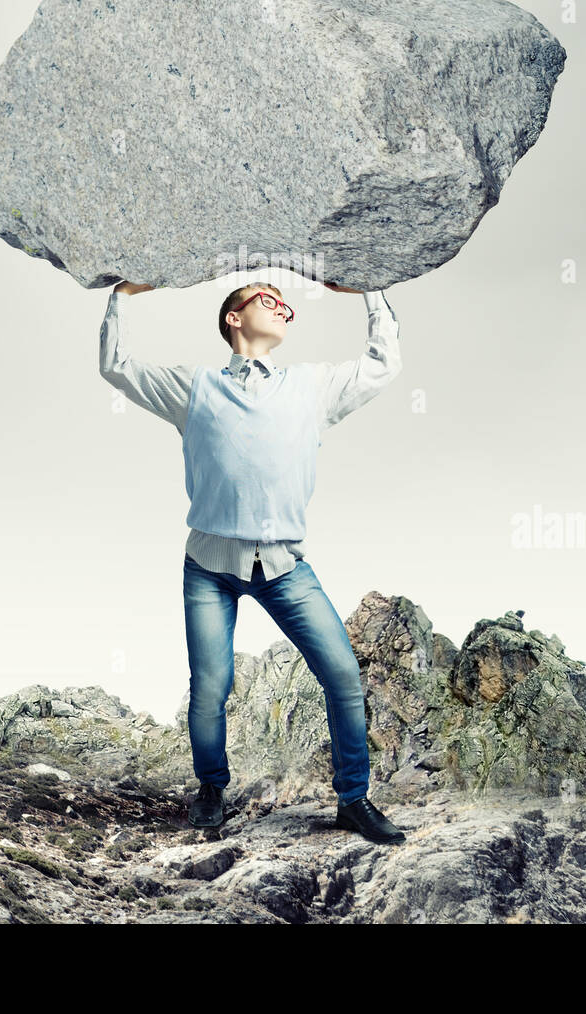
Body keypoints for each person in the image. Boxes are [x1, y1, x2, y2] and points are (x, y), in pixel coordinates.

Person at [99, 276, 407, 844]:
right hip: (209, 568)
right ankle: (212, 789)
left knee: (342, 673)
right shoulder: (193, 388)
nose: (283, 306)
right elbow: (116, 363)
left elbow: (383, 362)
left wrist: (370, 289)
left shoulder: (311, 388)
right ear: (233, 319)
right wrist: (122, 294)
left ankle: (354, 800)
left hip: (285, 568)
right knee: (211, 686)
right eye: (268, 298)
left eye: (287, 303)